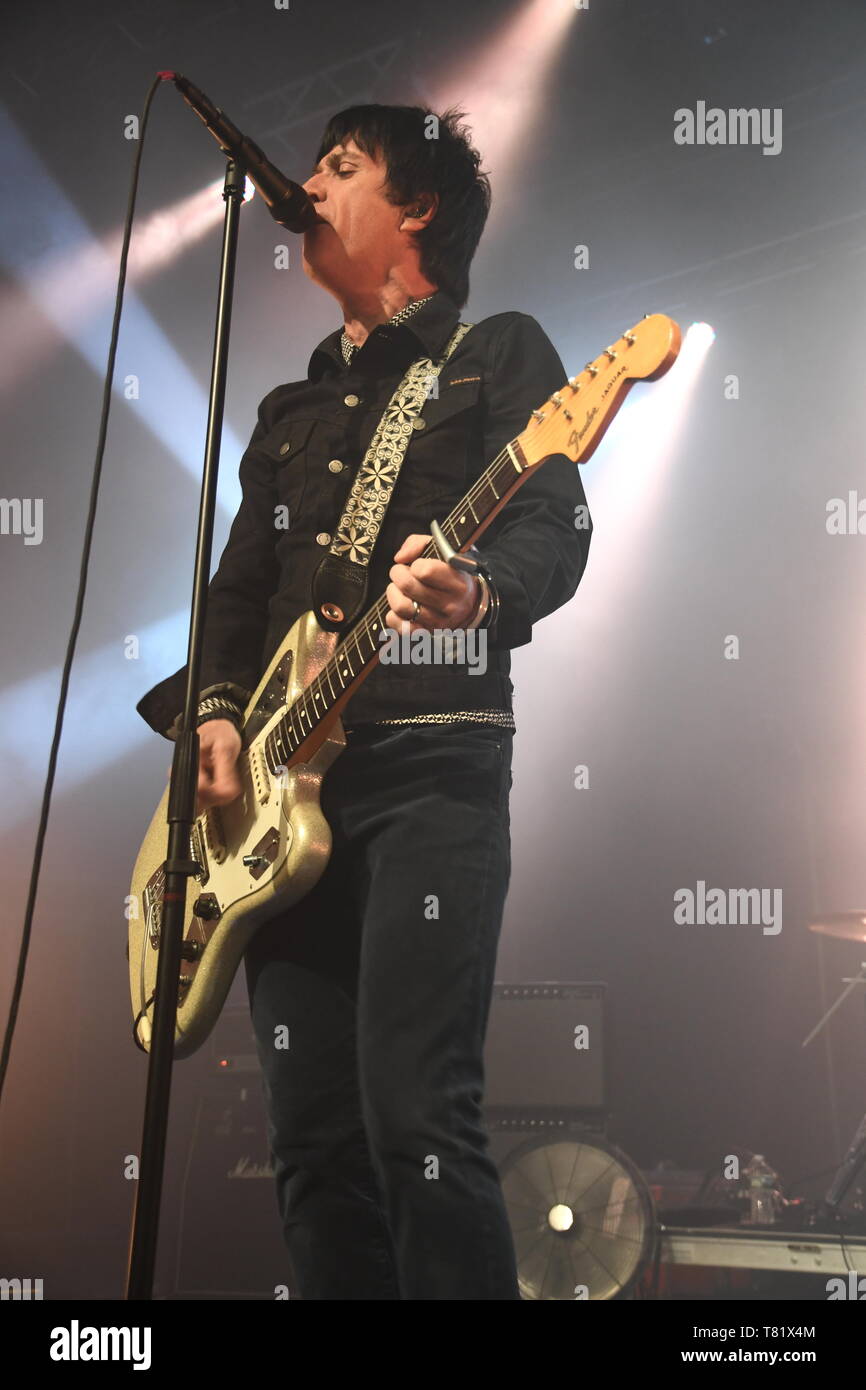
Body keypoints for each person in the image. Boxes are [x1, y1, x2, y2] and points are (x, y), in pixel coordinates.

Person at [137, 103, 592, 1299]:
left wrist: (474, 589)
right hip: (277, 813)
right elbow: (236, 596)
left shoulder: (497, 353)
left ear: (418, 209)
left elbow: (553, 522)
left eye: (341, 167)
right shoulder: (289, 411)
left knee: (415, 1121)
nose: (308, 182)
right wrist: (222, 711)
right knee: (312, 1145)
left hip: (424, 772)